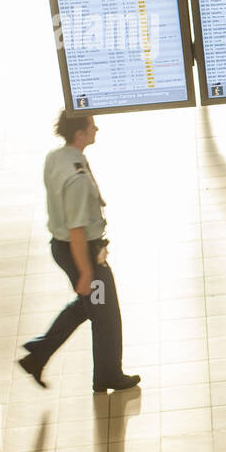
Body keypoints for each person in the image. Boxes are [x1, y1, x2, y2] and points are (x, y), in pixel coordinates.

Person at [18, 112, 140, 393]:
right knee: (105, 313)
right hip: (81, 253)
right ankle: (108, 375)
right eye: (91, 125)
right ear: (80, 134)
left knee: (91, 306)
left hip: (65, 248)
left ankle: (38, 355)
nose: (96, 128)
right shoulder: (78, 180)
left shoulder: (57, 157)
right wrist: (86, 272)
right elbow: (76, 231)